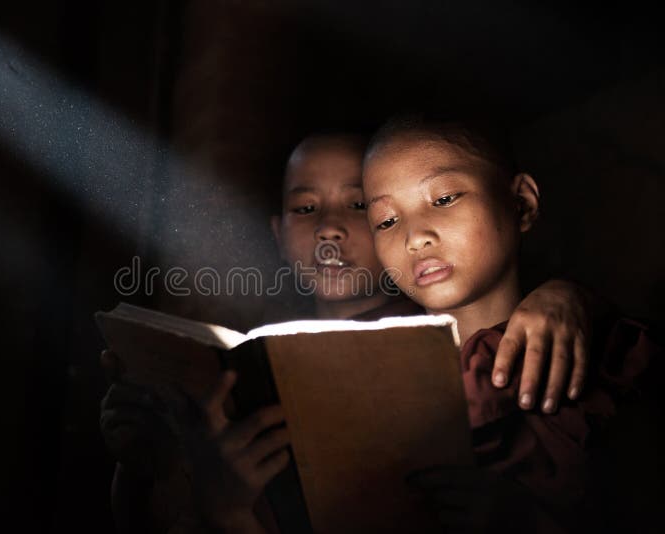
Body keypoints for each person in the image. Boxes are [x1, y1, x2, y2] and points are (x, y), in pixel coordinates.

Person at [100, 131, 604, 533]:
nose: (329, 228)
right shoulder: (254, 363)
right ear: (278, 234)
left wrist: (566, 295)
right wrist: (146, 466)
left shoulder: (442, 344)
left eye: (360, 206)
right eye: (305, 209)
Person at [358, 112, 660, 532]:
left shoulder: (608, 356)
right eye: (387, 221)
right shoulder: (367, 373)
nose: (415, 237)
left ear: (522, 202)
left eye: (444, 199)